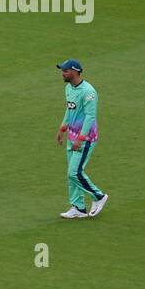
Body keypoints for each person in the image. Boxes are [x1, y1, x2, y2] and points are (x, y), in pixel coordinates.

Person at [55, 59, 109, 219]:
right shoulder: (69, 88)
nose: (63, 73)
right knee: (70, 173)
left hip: (85, 139)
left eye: (65, 71)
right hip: (72, 135)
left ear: (75, 71)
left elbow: (90, 117)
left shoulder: (88, 92)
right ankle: (78, 207)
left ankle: (98, 196)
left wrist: (81, 138)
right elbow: (70, 108)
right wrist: (63, 127)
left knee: (75, 172)